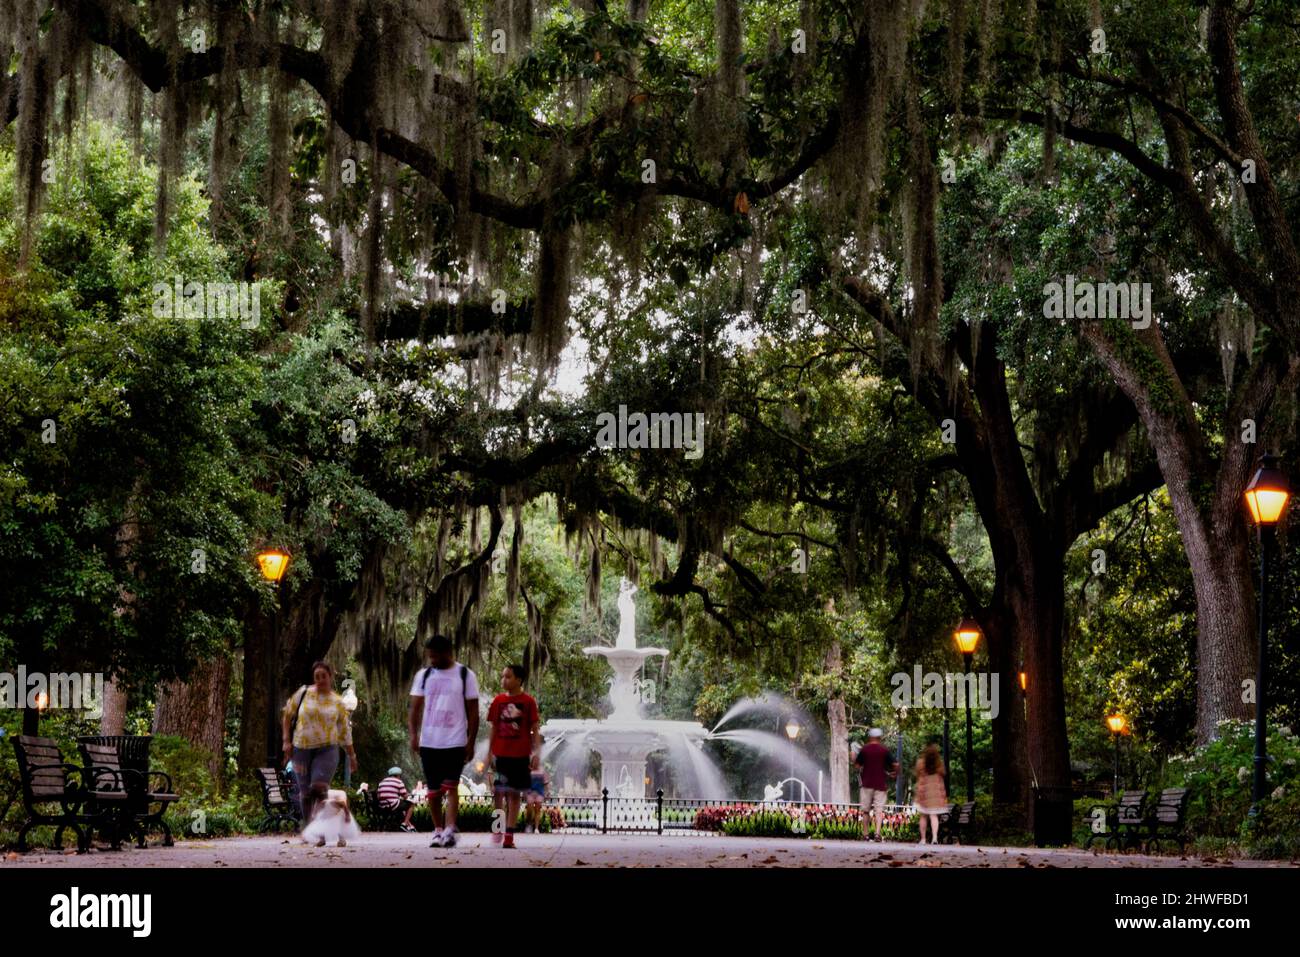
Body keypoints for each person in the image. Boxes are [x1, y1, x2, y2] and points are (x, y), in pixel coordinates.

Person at [409, 633, 480, 849]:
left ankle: (450, 829)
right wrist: (413, 735)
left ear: (448, 652)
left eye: (435, 655)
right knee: (433, 791)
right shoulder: (423, 676)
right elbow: (415, 707)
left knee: (451, 787)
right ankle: (437, 831)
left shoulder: (465, 675)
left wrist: (471, 741)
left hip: (455, 740)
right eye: (429, 656)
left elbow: (474, 711)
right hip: (430, 741)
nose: (432, 660)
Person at [281, 661, 359, 839]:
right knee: (305, 793)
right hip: (301, 749)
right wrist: (286, 741)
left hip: (327, 750)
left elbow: (345, 732)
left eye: (324, 676)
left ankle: (329, 825)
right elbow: (287, 714)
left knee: (318, 787)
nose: (320, 680)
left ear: (330, 677)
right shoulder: (303, 693)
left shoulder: (338, 702)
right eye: (317, 677)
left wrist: (352, 755)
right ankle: (312, 831)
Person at [485, 663, 540, 849]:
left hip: (520, 756)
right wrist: (488, 754)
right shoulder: (498, 701)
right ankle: (497, 828)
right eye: (502, 676)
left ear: (518, 679)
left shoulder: (528, 702)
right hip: (501, 756)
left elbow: (534, 729)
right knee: (498, 793)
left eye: (508, 676)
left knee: (514, 795)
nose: (504, 680)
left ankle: (509, 834)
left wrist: (536, 753)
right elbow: (493, 729)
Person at [853, 728, 897, 842]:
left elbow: (857, 765)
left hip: (867, 783)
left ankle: (866, 834)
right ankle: (877, 834)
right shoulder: (884, 750)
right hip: (880, 785)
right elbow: (896, 764)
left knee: (866, 811)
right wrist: (894, 773)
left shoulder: (865, 749)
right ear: (880, 737)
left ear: (870, 737)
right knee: (878, 811)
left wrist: (855, 759)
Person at [914, 741, 948, 845]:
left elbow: (917, 775)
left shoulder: (920, 763)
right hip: (935, 794)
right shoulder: (939, 764)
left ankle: (923, 839)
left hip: (924, 792)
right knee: (934, 816)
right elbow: (943, 774)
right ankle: (934, 838)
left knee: (923, 816)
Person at [377, 766, 416, 832]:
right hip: (393, 805)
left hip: (382, 805)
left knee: (401, 806)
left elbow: (378, 796)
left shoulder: (382, 782)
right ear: (398, 775)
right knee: (411, 804)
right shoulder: (399, 782)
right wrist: (409, 795)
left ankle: (410, 826)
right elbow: (405, 796)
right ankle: (404, 824)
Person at [524, 734, 549, 833]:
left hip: (539, 792)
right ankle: (529, 823)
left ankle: (536, 828)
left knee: (538, 810)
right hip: (530, 792)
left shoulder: (542, 771)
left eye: (537, 761)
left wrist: (547, 792)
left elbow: (546, 783)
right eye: (534, 761)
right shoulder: (528, 771)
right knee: (530, 809)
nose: (536, 762)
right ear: (532, 762)